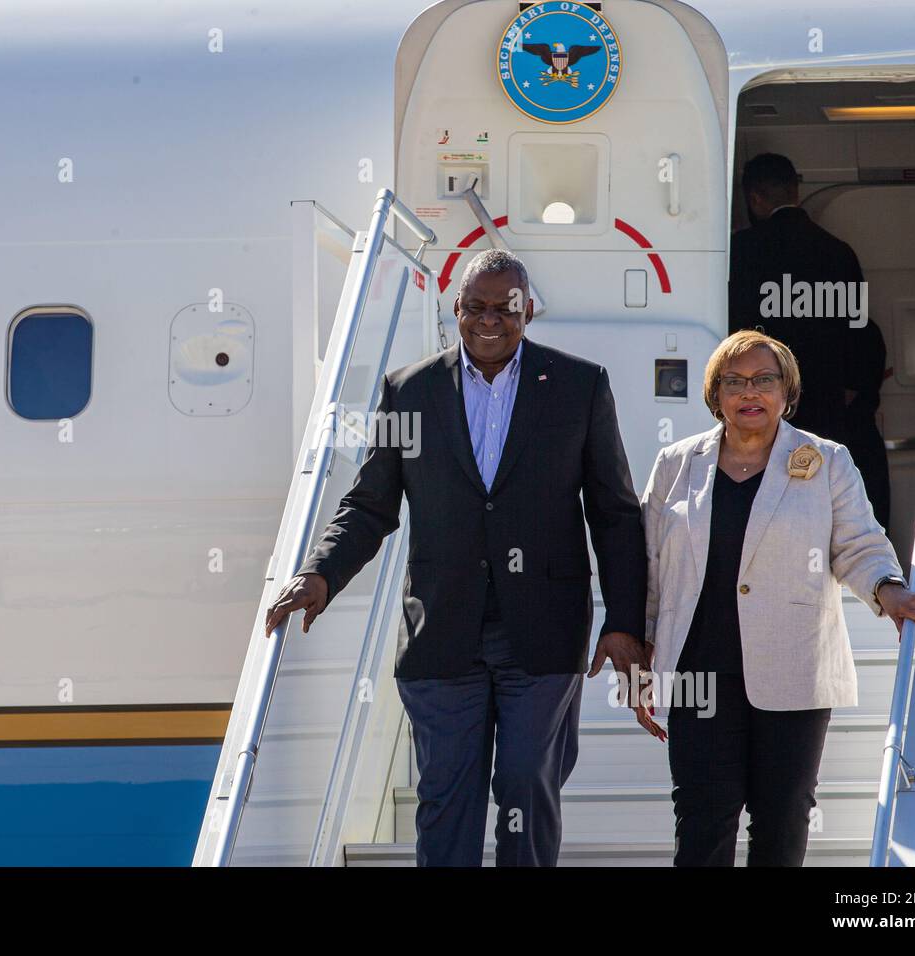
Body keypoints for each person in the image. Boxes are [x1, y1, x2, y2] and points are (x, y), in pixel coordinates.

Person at [264, 248, 647, 866]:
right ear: (456, 308)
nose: (489, 320)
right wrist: (320, 573)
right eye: (477, 307)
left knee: (527, 784)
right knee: (446, 800)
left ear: (528, 311)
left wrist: (625, 623)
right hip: (442, 633)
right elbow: (369, 505)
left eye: (506, 308)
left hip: (544, 634)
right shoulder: (407, 391)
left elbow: (615, 513)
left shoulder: (580, 386)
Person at [636, 329, 915, 866]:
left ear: (786, 392)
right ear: (715, 393)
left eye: (764, 380)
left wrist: (888, 590)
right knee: (702, 820)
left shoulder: (826, 461)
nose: (750, 392)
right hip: (699, 673)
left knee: (783, 820)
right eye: (735, 381)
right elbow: (648, 570)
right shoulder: (676, 464)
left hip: (795, 671)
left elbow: (860, 544)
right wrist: (642, 664)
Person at [729, 152, 891, 530]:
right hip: (830, 406)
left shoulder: (742, 253)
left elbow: (735, 336)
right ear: (796, 189)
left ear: (754, 199)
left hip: (765, 404)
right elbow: (858, 331)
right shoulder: (838, 252)